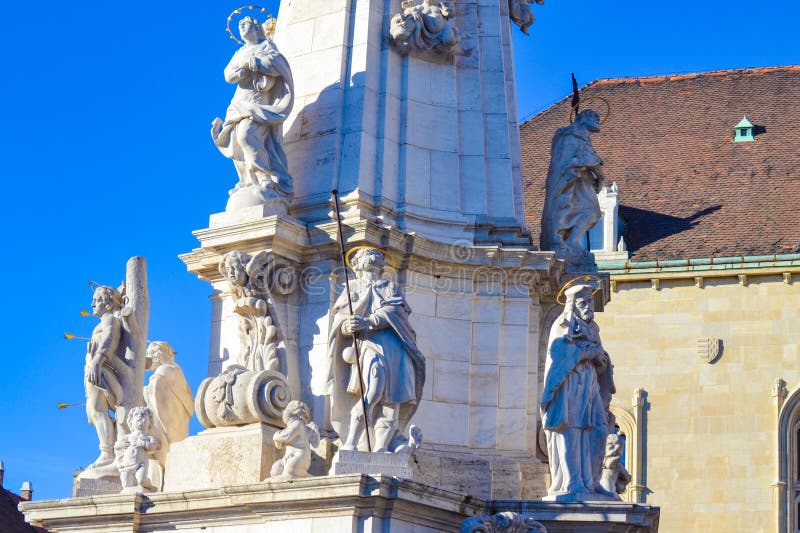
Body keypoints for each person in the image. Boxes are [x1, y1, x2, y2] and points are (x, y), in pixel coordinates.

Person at [323, 248, 426, 452]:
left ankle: (381, 449)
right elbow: (341, 319)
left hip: (396, 348)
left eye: (374, 258)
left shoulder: (390, 287)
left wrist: (369, 320)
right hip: (370, 346)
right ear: (357, 265)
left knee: (393, 402)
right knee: (371, 393)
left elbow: (396, 312)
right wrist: (347, 326)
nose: (369, 259)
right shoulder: (351, 288)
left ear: (381, 266)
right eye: (364, 257)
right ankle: (351, 442)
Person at [540, 282, 616, 499]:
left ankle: (592, 481)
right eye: (583, 302)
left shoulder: (593, 329)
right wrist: (586, 354)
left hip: (590, 384)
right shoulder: (562, 324)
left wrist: (600, 359)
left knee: (599, 430)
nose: (588, 306)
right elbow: (559, 355)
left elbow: (599, 360)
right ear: (573, 304)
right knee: (570, 430)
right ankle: (573, 483)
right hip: (569, 385)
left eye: (590, 301)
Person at [212, 16, 294, 197]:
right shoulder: (239, 52)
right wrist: (240, 71)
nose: (241, 26)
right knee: (236, 141)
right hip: (239, 100)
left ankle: (266, 178)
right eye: (239, 24)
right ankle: (249, 181)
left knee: (246, 135)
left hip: (258, 99)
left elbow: (276, 67)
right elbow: (227, 75)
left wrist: (253, 63)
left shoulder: (267, 47)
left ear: (257, 28)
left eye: (246, 23)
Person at [539, 109, 605, 271]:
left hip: (580, 181)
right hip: (569, 180)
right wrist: (601, 178)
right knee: (589, 210)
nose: (598, 119)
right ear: (583, 119)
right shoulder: (572, 135)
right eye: (594, 117)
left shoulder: (580, 137)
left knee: (592, 212)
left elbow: (591, 160)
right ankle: (567, 241)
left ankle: (572, 241)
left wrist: (598, 175)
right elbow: (585, 160)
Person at [84, 285, 125, 469]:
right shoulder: (104, 321)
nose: (92, 304)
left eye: (97, 300)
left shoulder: (110, 320)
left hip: (101, 368)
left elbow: (110, 339)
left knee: (98, 408)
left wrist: (98, 361)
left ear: (108, 304)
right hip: (94, 368)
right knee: (94, 411)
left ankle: (107, 452)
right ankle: (108, 450)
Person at [143, 342, 194, 469]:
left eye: (151, 354)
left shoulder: (166, 370)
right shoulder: (174, 370)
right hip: (174, 424)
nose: (150, 358)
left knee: (165, 454)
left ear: (161, 354)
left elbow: (156, 390)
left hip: (166, 424)